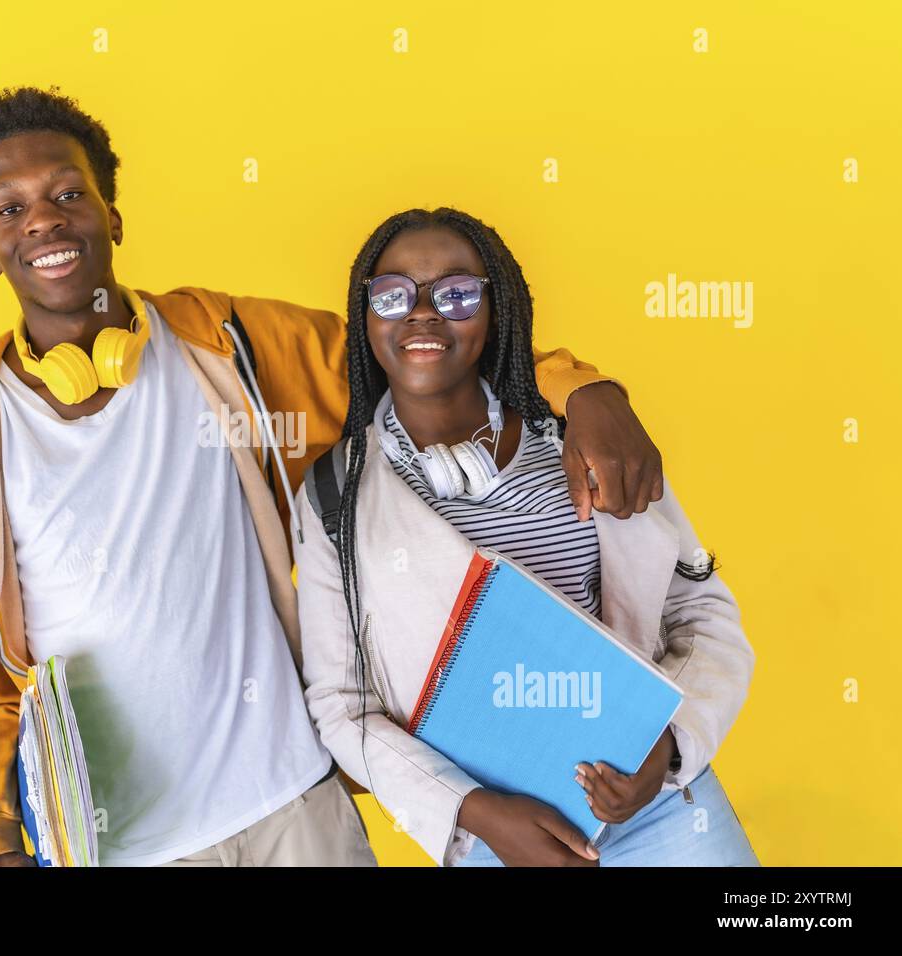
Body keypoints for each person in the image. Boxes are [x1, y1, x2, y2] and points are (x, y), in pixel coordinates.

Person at [0, 87, 665, 867]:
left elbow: (413, 347)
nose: (43, 220)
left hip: (296, 805)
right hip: (118, 845)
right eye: (10, 209)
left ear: (113, 216)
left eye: (69, 193)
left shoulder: (228, 346)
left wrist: (585, 392)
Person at [294, 206, 760, 867]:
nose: (422, 313)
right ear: (367, 314)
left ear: (496, 313)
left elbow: (704, 612)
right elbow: (343, 706)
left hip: (661, 806)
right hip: (502, 841)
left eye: (457, 293)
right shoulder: (333, 495)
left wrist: (668, 748)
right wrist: (476, 814)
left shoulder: (588, 440)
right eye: (393, 294)